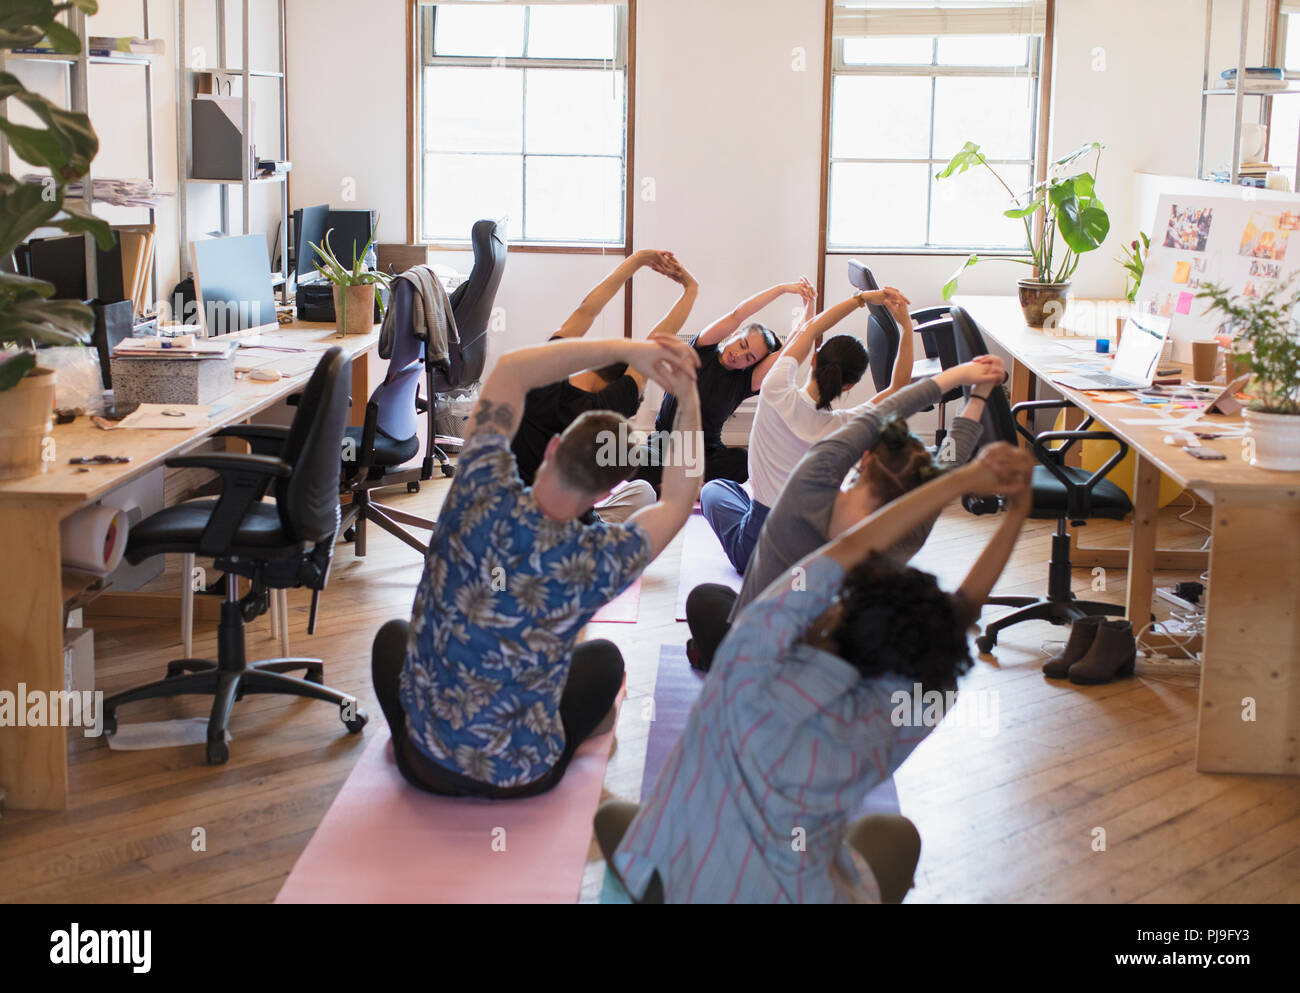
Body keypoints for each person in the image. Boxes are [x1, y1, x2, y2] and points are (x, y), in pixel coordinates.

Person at [595, 442, 1036, 903]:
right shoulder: (887, 723)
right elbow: (959, 616)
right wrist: (1017, 512)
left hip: (682, 884)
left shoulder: (747, 661)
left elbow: (850, 548)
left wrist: (961, 480)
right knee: (894, 836)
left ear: (834, 617)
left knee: (618, 820)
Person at [371, 332, 704, 799]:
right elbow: (678, 498)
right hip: (521, 776)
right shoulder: (599, 560)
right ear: (607, 493)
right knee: (605, 662)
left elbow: (512, 370)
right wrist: (687, 395)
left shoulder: (478, 484)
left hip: (421, 762)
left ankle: (434, 735)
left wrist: (628, 351)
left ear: (551, 449)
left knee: (392, 637)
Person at [685, 353, 1007, 672]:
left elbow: (876, 417)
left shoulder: (807, 491)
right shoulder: (911, 527)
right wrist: (979, 396)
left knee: (707, 598)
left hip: (755, 661)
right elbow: (950, 463)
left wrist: (959, 375)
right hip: (825, 673)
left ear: (864, 459)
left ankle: (718, 658)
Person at [700, 282, 915, 574]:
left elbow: (810, 329)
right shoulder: (848, 425)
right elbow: (899, 386)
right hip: (810, 545)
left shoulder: (775, 389)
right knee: (734, 489)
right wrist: (906, 328)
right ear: (850, 385)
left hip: (757, 554)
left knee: (714, 489)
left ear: (814, 359)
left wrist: (862, 298)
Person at [510, 249, 698, 523]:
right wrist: (691, 289)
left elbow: (586, 311)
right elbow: (656, 343)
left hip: (509, 513)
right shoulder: (609, 406)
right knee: (643, 492)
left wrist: (637, 260)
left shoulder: (543, 380)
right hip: (571, 524)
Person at [636, 280, 814, 487]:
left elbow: (790, 351)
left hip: (705, 455)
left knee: (743, 460)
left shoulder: (746, 382)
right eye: (742, 344)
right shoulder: (703, 348)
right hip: (663, 445)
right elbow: (738, 314)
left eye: (748, 358)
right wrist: (782, 289)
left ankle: (676, 485)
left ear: (753, 364)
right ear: (736, 334)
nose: (738, 355)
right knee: (629, 460)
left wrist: (809, 309)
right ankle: (687, 485)